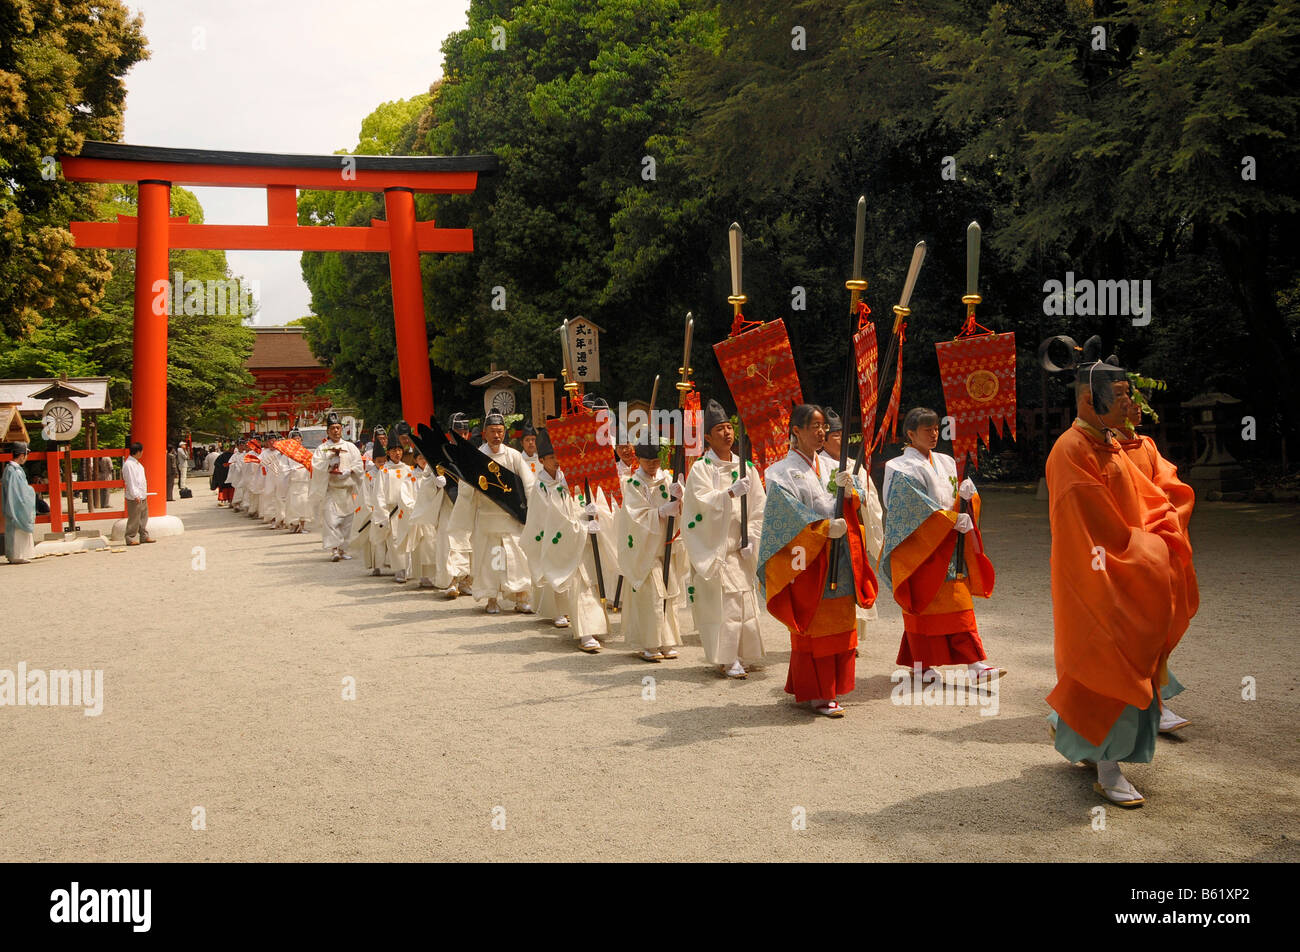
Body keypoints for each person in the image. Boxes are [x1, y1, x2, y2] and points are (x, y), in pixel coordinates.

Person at [1044, 350, 1198, 808]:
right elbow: (1094, 529)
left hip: (1128, 569)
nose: (1130, 405)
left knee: (1125, 662)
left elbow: (1149, 498)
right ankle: (1108, 771)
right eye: (1122, 396)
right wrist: (1146, 551)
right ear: (1090, 399)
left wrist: (1164, 528)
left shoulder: (1109, 442)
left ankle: (1084, 745)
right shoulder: (1072, 450)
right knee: (1106, 664)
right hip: (1097, 578)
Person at [759, 404, 877, 717]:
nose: (821, 432)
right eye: (814, 426)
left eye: (823, 425)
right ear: (795, 431)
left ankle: (831, 687)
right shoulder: (779, 472)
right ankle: (820, 693)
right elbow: (782, 518)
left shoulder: (831, 467)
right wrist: (824, 528)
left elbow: (861, 498)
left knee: (840, 619)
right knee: (816, 623)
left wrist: (851, 494)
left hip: (838, 555)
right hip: (808, 558)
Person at [880, 407, 1003, 683]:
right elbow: (905, 506)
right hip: (920, 546)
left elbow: (952, 497)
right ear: (910, 434)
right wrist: (949, 520)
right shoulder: (898, 466)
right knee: (923, 604)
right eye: (927, 429)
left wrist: (967, 499)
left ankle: (974, 664)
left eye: (936, 428)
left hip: (949, 542)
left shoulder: (947, 461)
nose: (934, 433)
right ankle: (926, 666)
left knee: (958, 601)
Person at [1116, 386, 1195, 735]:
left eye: (1139, 403)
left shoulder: (1146, 445)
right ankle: (1151, 707)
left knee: (1160, 625)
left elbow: (1170, 487)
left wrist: (1167, 520)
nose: (1137, 409)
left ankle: (1156, 701)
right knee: (1136, 630)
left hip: (1157, 541)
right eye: (1129, 403)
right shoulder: (1106, 448)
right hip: (1128, 544)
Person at [682, 400, 766, 678]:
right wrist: (728, 494)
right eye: (720, 429)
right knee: (725, 604)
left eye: (730, 427)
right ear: (708, 436)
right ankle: (726, 658)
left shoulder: (747, 467)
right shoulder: (702, 468)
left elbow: (758, 508)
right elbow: (698, 506)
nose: (727, 433)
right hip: (716, 547)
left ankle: (744, 653)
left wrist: (752, 537)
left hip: (740, 547)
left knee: (745, 600)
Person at [521, 428, 608, 652]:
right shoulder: (539, 487)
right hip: (559, 537)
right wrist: (580, 525)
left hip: (580, 537)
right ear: (542, 460)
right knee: (576, 582)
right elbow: (551, 519)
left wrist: (592, 511)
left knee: (590, 581)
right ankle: (584, 631)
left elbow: (582, 503)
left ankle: (592, 625)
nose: (557, 462)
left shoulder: (571, 478)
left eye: (558, 457)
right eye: (551, 458)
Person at [615, 437, 689, 662]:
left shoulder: (667, 478)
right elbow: (634, 518)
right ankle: (648, 643)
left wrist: (681, 496)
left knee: (669, 593)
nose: (653, 465)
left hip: (666, 547)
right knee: (652, 596)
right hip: (645, 551)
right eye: (648, 461)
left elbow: (684, 509)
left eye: (657, 460)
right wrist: (660, 512)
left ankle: (666, 639)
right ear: (639, 460)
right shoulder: (633, 484)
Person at [467, 410, 535, 614]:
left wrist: (532, 509)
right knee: (491, 561)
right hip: (488, 520)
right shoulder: (477, 456)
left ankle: (521, 598)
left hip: (511, 517)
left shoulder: (513, 455)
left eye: (500, 431)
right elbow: (467, 486)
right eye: (493, 431)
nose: (497, 435)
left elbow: (528, 483)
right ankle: (492, 598)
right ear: (485, 433)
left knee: (517, 558)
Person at [309, 414, 363, 562]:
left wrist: (350, 471)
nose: (335, 431)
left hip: (346, 490)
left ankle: (343, 549)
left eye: (338, 428)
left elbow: (359, 464)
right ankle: (334, 549)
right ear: (327, 431)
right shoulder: (322, 449)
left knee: (347, 522)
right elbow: (316, 466)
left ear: (342, 429)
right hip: (331, 490)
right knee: (331, 521)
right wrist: (329, 462)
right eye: (332, 428)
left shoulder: (350, 447)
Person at [442, 412, 475, 598]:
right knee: (451, 545)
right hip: (449, 503)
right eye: (457, 432)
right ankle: (451, 581)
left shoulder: (474, 452)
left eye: (464, 433)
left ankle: (466, 581)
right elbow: (431, 476)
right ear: (450, 433)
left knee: (470, 544)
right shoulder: (443, 452)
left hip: (469, 504)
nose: (461, 436)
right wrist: (435, 483)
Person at [377, 436, 416, 583]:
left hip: (406, 509)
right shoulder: (384, 471)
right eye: (394, 451)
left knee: (408, 538)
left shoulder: (408, 469)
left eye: (399, 450)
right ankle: (399, 569)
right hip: (392, 510)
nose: (397, 453)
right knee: (394, 541)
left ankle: (410, 568)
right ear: (388, 453)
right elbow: (379, 494)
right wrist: (383, 514)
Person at [3, 442, 37, 564]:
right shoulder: (15, 471)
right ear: (22, 455)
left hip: (12, 505)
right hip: (17, 505)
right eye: (26, 454)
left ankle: (15, 555)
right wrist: (30, 491)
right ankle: (18, 555)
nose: (26, 457)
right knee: (19, 530)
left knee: (15, 531)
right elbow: (18, 492)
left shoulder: (10, 470)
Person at [122, 442, 155, 545]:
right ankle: (130, 537)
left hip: (142, 494)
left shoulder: (137, 464)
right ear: (138, 452)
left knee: (143, 517)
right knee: (134, 518)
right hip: (134, 496)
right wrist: (135, 494)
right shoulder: (129, 465)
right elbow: (131, 481)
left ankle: (144, 536)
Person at [281, 430, 312, 533]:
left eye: (298, 439)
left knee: (304, 504)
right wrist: (291, 470)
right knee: (293, 505)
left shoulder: (305, 452)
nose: (297, 441)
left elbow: (311, 464)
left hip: (304, 482)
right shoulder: (287, 455)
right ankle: (294, 524)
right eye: (294, 439)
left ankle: (302, 525)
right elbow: (283, 468)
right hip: (293, 482)